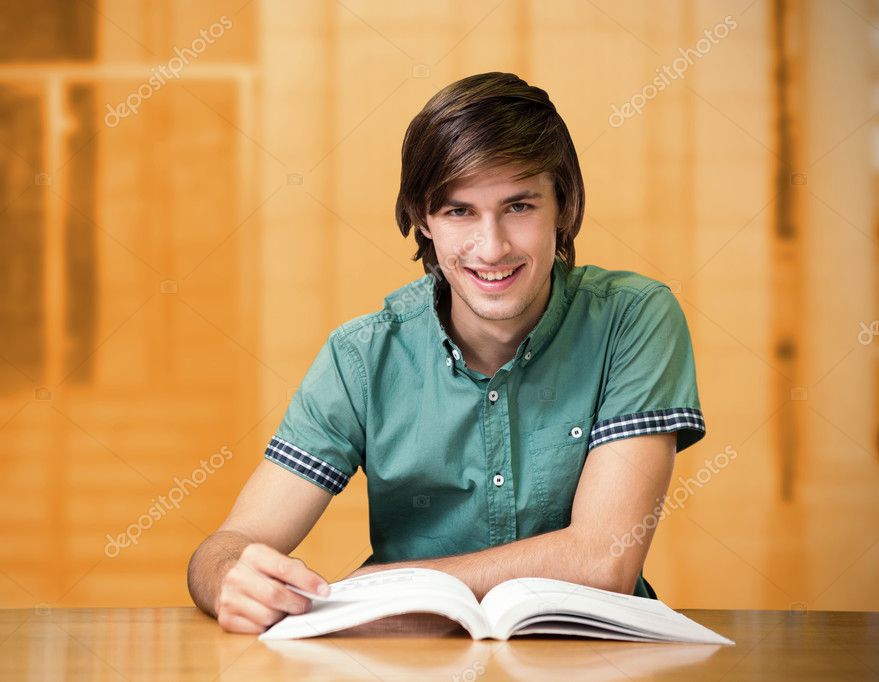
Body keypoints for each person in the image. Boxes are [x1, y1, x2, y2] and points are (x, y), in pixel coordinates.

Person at [187, 71, 705, 634]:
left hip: (591, 660)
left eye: (519, 206)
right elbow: (228, 546)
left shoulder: (633, 319)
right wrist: (230, 579)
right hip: (408, 661)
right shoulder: (361, 358)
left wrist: (377, 585)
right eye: (460, 212)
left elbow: (603, 560)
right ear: (423, 220)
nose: (492, 247)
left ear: (565, 205)